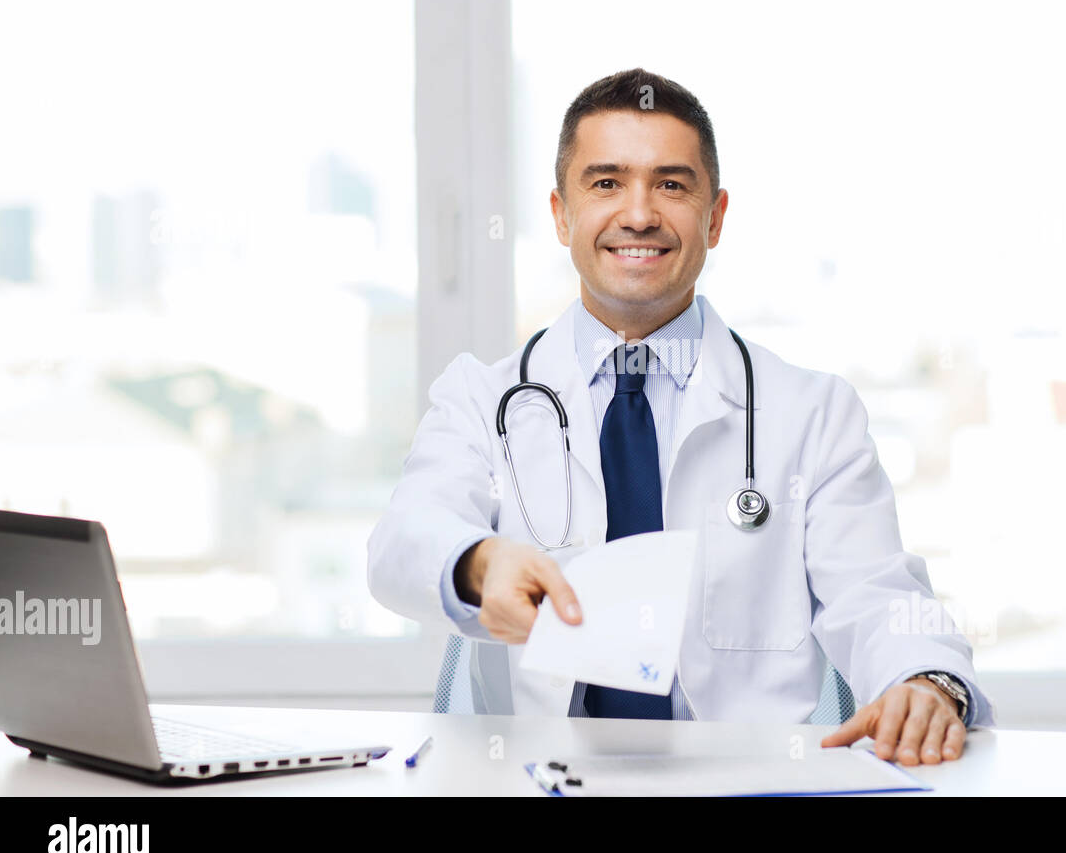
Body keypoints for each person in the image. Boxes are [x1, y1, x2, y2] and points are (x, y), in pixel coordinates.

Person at [367, 68, 995, 765]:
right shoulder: (482, 400)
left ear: (716, 216)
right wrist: (478, 563)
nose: (639, 214)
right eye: (606, 183)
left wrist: (928, 680)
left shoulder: (812, 414)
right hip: (544, 780)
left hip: (746, 784)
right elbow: (404, 542)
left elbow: (875, 595)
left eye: (671, 184)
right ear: (560, 215)